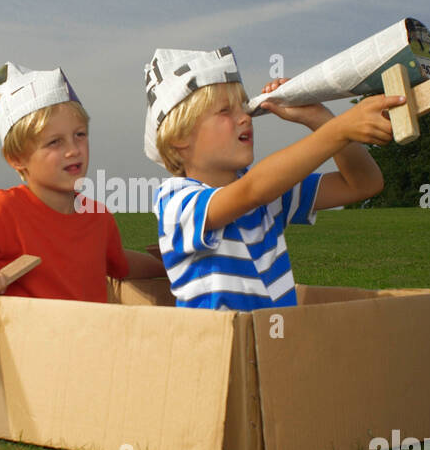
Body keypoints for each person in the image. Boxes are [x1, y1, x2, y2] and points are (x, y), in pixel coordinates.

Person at [143, 45, 405, 310]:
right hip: (218, 348)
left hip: (273, 345)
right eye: (225, 111)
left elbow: (364, 183)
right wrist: (339, 130)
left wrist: (320, 118)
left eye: (244, 107)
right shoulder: (175, 199)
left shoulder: (272, 194)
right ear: (179, 139)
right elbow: (252, 191)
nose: (245, 117)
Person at [0, 62, 165, 303]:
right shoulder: (2, 213)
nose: (73, 150)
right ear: (17, 158)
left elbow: (119, 263)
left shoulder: (98, 217)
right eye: (55, 142)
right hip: (27, 347)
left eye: (80, 135)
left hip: (87, 346)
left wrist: (171, 264)